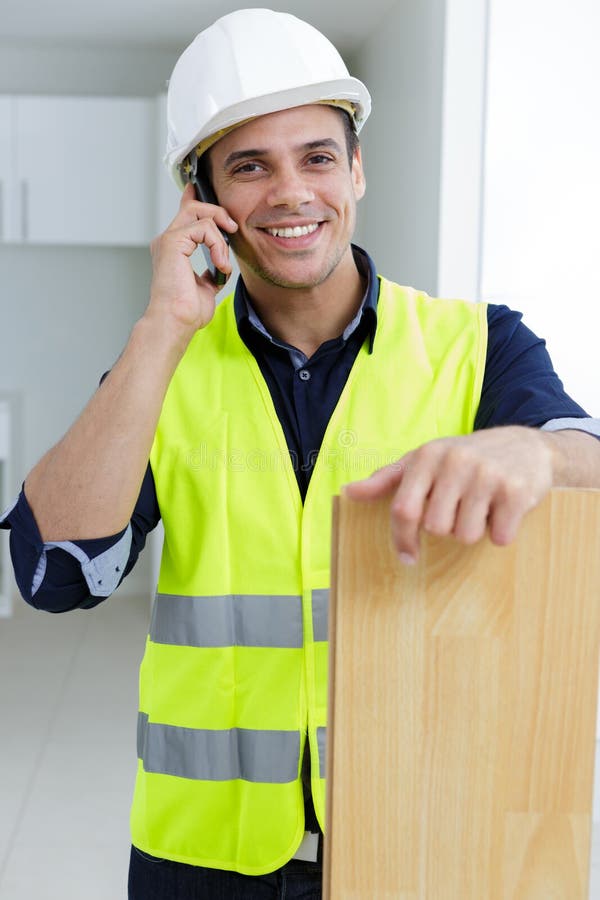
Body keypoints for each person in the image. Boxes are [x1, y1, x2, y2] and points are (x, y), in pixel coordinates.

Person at [2, 7, 600, 899]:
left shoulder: (478, 345)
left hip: (416, 830)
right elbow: (52, 574)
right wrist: (162, 325)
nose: (290, 193)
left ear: (356, 169)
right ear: (202, 201)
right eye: (250, 166)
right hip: (203, 862)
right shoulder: (163, 370)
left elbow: (581, 462)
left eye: (317, 156)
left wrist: (535, 455)